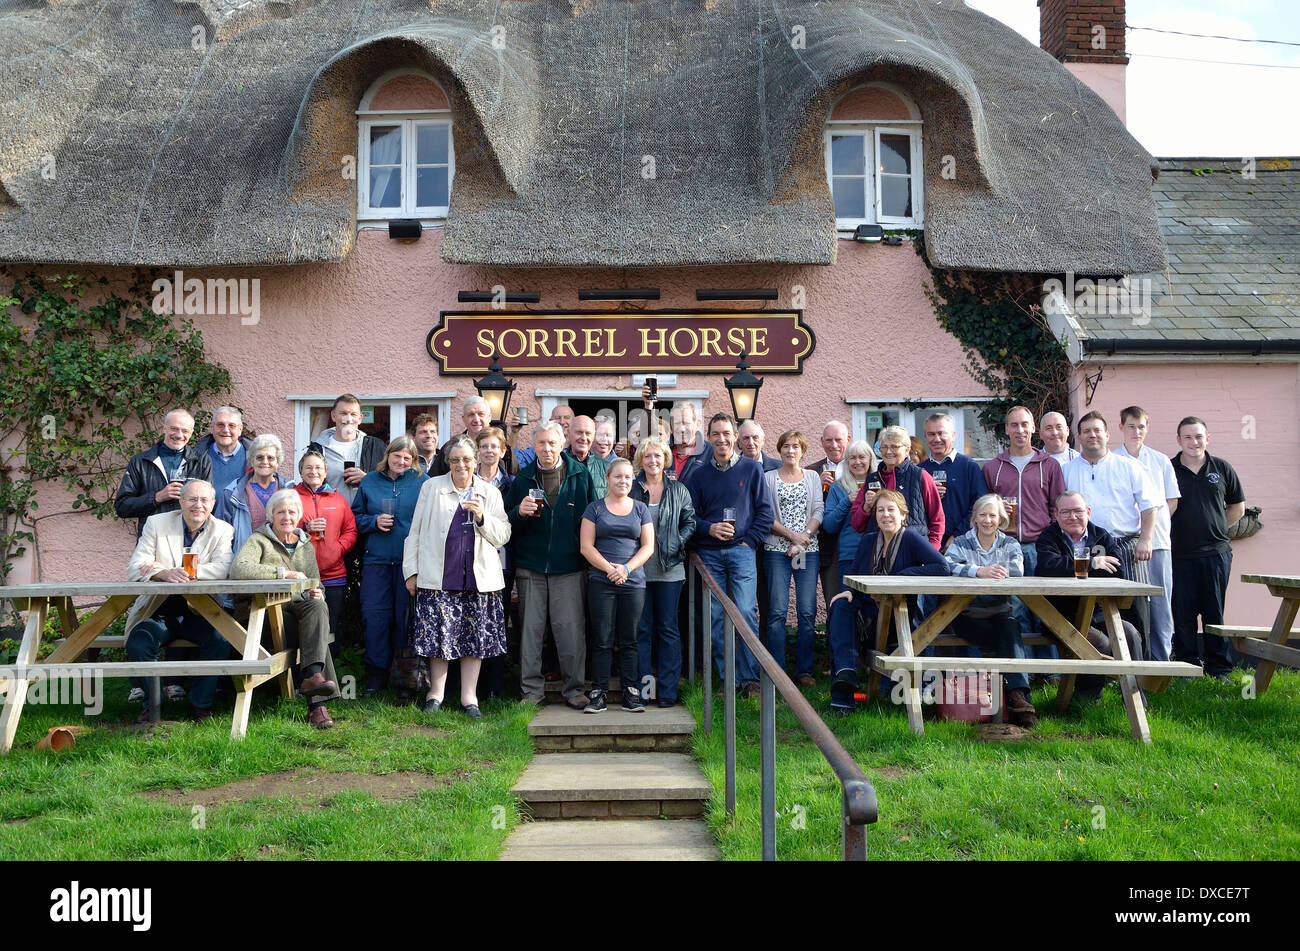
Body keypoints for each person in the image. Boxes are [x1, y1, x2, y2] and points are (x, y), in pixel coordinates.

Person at [402, 436, 510, 718]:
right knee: (440, 636)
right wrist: (410, 572)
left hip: (479, 578)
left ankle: (468, 697)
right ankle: (435, 694)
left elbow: (503, 536)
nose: (461, 465)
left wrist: (483, 516)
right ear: (447, 462)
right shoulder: (431, 487)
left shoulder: (490, 492)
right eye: (454, 459)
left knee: (473, 637)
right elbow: (415, 532)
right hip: (438, 574)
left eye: (466, 459)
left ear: (475, 462)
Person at [827, 490, 950, 714]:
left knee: (847, 621)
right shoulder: (868, 541)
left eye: (891, 510)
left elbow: (942, 567)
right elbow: (854, 575)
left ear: (903, 515)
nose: (885, 515)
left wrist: (902, 576)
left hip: (896, 621)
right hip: (870, 618)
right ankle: (845, 681)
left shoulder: (911, 538)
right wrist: (847, 591)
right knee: (840, 606)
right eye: (880, 510)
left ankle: (844, 692)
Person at [230, 489, 342, 728]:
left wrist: (317, 591)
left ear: (299, 516)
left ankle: (312, 679)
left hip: (297, 613)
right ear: (271, 515)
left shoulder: (305, 545)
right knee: (313, 633)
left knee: (318, 608)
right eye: (281, 512)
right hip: (264, 616)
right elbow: (239, 570)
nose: (286, 517)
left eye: (292, 512)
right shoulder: (258, 540)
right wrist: (283, 574)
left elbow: (316, 581)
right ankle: (317, 705)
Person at [503, 422, 596, 708]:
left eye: (552, 443)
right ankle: (531, 692)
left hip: (569, 565)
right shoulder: (523, 479)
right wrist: (518, 512)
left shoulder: (580, 475)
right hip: (531, 565)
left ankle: (574, 690)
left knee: (570, 631)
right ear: (535, 445)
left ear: (561, 443)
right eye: (541, 443)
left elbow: (592, 518)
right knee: (530, 631)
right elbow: (505, 522)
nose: (546, 449)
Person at [123, 479, 233, 721]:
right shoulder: (156, 523)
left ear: (212, 504)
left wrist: (180, 571)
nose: (198, 505)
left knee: (221, 641)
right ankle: (153, 705)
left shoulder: (223, 529)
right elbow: (134, 567)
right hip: (158, 610)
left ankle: (199, 704)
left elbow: (222, 569)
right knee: (138, 643)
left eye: (204, 500)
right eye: (192, 499)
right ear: (181, 501)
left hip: (199, 612)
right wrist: (163, 574)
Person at [683, 413, 774, 698]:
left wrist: (749, 542)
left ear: (734, 437)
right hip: (709, 555)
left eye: (726, 434)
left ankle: (750, 678)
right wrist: (709, 529)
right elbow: (689, 518)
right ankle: (728, 678)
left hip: (741, 552)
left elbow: (765, 513)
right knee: (718, 617)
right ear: (708, 439)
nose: (721, 439)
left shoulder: (751, 470)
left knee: (746, 611)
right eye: (716, 434)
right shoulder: (698, 475)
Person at [1036, 491, 1146, 698]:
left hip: (1097, 613)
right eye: (1065, 512)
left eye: (1078, 511)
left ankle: (1135, 699)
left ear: (1088, 512)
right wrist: (1091, 564)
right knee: (1101, 644)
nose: (1072, 517)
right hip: (1060, 617)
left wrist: (1070, 568)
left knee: (1130, 633)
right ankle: (1086, 700)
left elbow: (1117, 573)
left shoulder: (1102, 536)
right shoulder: (1048, 537)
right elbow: (1048, 568)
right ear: (1056, 515)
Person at [1062, 412, 1159, 640]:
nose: (1092, 435)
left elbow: (1149, 506)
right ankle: (1100, 670)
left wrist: (1146, 539)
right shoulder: (1067, 470)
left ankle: (1141, 670)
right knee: (1090, 609)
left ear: (1107, 434)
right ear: (1078, 437)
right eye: (1086, 431)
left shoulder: (1129, 466)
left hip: (1127, 546)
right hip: (1086, 550)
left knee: (1136, 610)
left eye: (1097, 430)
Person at [943, 494, 1039, 727]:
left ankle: (1015, 696)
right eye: (983, 515)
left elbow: (1016, 571)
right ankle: (1018, 696)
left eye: (993, 515)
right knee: (1010, 636)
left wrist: (981, 569)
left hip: (999, 613)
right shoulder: (961, 543)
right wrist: (979, 571)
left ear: (1001, 519)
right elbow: (947, 564)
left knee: (1009, 625)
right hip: (967, 615)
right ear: (974, 517)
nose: (987, 520)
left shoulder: (1010, 543)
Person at [981, 406, 1066, 648]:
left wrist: (1051, 539)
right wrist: (997, 512)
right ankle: (1024, 669)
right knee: (1014, 607)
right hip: (1005, 549)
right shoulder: (992, 467)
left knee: (1044, 607)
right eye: (1014, 425)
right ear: (1007, 429)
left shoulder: (1049, 465)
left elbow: (1057, 508)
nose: (1020, 430)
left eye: (1024, 424)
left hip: (1039, 547)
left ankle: (1050, 672)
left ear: (1033, 428)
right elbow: (983, 510)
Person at [1169, 417, 1245, 681]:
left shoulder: (1221, 468)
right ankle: (1187, 667)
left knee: (1215, 612)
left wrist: (1216, 527)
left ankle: (1219, 668)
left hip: (1216, 554)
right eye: (1188, 437)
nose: (1194, 442)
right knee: (1183, 613)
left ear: (1207, 438)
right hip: (1179, 554)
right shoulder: (1168, 469)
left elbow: (1238, 506)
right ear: (1179, 440)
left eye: (1199, 436)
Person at [352, 435, 428, 695]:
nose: (402, 461)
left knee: (405, 619)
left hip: (410, 564)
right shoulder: (370, 481)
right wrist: (373, 522)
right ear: (388, 456)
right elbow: (355, 518)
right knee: (375, 618)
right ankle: (376, 676)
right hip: (377, 561)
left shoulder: (422, 482)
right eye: (397, 456)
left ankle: (404, 676)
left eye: (408, 457)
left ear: (414, 460)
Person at [580, 457, 655, 713]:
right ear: (607, 479)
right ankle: (598, 694)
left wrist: (625, 568)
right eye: (617, 476)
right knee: (601, 639)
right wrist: (610, 569)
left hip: (633, 583)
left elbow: (648, 546)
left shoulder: (640, 509)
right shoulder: (594, 508)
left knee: (629, 639)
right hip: (601, 581)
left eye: (627, 477)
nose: (623, 481)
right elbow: (586, 547)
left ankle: (631, 693)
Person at [630, 436, 696, 707]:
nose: (653, 461)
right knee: (642, 630)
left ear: (665, 459)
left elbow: (690, 521)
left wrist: (676, 542)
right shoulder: (632, 489)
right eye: (648, 456)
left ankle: (668, 691)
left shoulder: (678, 489)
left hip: (670, 571)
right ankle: (645, 690)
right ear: (641, 460)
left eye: (658, 456)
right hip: (638, 571)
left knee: (668, 629)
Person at [1114, 406, 1181, 662]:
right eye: (1131, 426)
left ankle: (1162, 661)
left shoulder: (1160, 460)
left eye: (1141, 426)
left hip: (1159, 542)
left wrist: (1152, 530)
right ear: (1121, 428)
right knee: (1134, 604)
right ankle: (1134, 660)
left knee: (1161, 603)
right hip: (1127, 544)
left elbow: (1170, 502)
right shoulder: (1114, 459)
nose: (1136, 431)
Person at [762, 430, 824, 685]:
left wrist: (804, 537)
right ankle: (777, 671)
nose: (790, 451)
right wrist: (791, 537)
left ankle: (804, 671)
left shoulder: (812, 477)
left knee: (807, 612)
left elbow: (819, 509)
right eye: (786, 446)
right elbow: (766, 515)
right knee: (776, 611)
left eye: (796, 446)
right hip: (777, 550)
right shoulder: (768, 478)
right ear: (779, 449)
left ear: (803, 450)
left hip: (807, 551)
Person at [293, 448, 357, 655]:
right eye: (308, 467)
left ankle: (332, 674)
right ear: (301, 471)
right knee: (301, 625)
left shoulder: (338, 499)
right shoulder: (291, 497)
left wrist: (338, 548)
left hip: (334, 575)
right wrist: (304, 528)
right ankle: (303, 673)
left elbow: (351, 530)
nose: (314, 471)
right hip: (301, 574)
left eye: (318, 467)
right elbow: (278, 527)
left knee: (331, 625)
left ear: (326, 471)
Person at [114, 409, 214, 537]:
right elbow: (122, 507)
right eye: (174, 429)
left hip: (189, 539)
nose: (179, 435)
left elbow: (209, 504)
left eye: (185, 431)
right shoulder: (140, 462)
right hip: (153, 540)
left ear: (191, 433)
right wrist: (157, 497)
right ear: (164, 428)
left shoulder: (201, 461)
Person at [850, 425, 944, 549]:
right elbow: (857, 525)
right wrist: (866, 507)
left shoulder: (921, 476)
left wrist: (930, 551)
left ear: (906, 450)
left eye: (894, 446)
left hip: (913, 549)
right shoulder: (872, 479)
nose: (888, 452)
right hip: (879, 551)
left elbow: (937, 519)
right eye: (884, 447)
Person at [476, 426, 515, 699]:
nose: (489, 451)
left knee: (497, 621)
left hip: (502, 562)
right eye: (484, 446)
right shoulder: (466, 481)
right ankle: (468, 686)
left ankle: (493, 685)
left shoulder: (512, 484)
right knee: (472, 620)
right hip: (472, 561)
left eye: (494, 447)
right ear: (477, 450)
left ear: (502, 451)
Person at [920, 412, 988, 550]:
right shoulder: (919, 470)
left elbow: (979, 505)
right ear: (925, 437)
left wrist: (958, 535)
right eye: (931, 434)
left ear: (953, 435)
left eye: (942, 433)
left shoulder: (968, 466)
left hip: (964, 544)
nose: (937, 439)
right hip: (928, 544)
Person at [215, 433, 291, 554]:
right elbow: (220, 534)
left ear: (278, 462)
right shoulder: (232, 492)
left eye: (270, 458)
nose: (265, 462)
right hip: (244, 560)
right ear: (251, 460)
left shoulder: (289, 490)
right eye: (259, 457)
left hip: (281, 558)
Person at [821, 440, 875, 594]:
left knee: (875, 606)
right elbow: (829, 526)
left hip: (877, 554)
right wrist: (847, 501)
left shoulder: (880, 484)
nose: (857, 462)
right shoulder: (838, 488)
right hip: (849, 554)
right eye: (852, 458)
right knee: (849, 602)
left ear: (870, 459)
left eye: (862, 457)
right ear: (846, 462)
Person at [315, 394, 386, 503]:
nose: (348, 419)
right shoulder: (317, 450)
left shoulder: (376, 446)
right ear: (333, 416)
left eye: (353, 414)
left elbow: (391, 483)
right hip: (331, 516)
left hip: (366, 518)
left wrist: (367, 479)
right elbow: (309, 487)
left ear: (360, 418)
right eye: (343, 413)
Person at [811, 421, 851, 609]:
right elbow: (803, 509)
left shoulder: (859, 466)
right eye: (829, 440)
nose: (833, 445)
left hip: (855, 543)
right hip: (828, 546)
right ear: (821, 442)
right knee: (834, 600)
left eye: (838, 440)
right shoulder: (811, 471)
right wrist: (816, 486)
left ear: (848, 440)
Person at [432, 396, 516, 476]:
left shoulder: (502, 447)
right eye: (471, 415)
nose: (476, 419)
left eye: (481, 414)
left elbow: (515, 479)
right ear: (463, 419)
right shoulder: (450, 447)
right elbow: (434, 480)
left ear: (489, 417)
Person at [197, 405, 251, 498]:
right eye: (220, 425)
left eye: (232, 426)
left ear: (240, 429)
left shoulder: (255, 459)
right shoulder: (197, 457)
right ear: (211, 427)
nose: (226, 430)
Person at [514, 403, 573, 469]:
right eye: (558, 418)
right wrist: (514, 432)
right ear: (551, 421)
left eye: (566, 417)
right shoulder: (538, 450)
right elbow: (515, 462)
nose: (562, 422)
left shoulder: (578, 449)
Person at [568, 415, 610, 498]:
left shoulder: (607, 468)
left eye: (588, 433)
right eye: (579, 432)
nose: (584, 438)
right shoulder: (559, 465)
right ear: (569, 434)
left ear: (594, 436)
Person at [670, 401, 711, 481]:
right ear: (671, 425)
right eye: (677, 423)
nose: (682, 429)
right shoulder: (662, 451)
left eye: (686, 423)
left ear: (697, 424)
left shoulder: (710, 452)